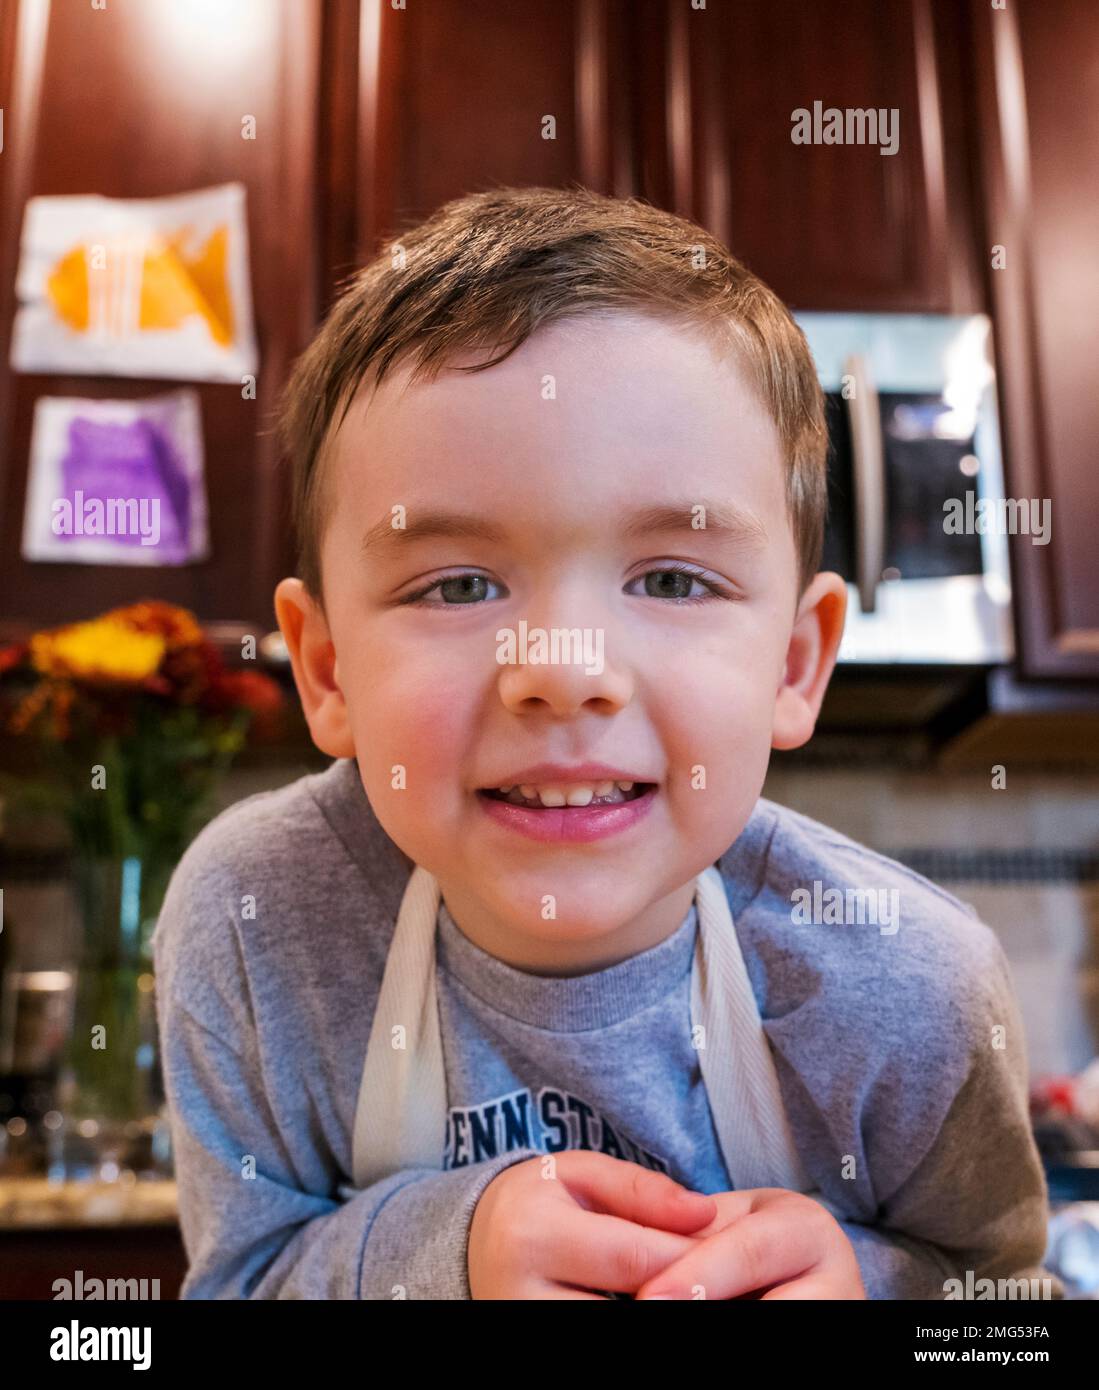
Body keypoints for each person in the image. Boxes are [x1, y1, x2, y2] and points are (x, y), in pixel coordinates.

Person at [153, 186, 1059, 1300]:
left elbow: (1012, 1303)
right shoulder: (256, 927)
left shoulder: (916, 987)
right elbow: (236, 1279)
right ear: (327, 668)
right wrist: (451, 1258)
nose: (566, 669)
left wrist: (871, 1286)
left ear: (793, 662)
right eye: (458, 584)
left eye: (672, 578)